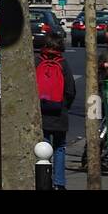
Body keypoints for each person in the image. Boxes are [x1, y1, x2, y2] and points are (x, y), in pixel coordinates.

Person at [36, 36, 75, 189]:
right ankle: (59, 183)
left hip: (41, 111)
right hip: (59, 113)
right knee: (59, 147)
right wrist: (64, 105)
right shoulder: (63, 64)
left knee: (43, 145)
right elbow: (71, 90)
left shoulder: (37, 61)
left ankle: (44, 180)